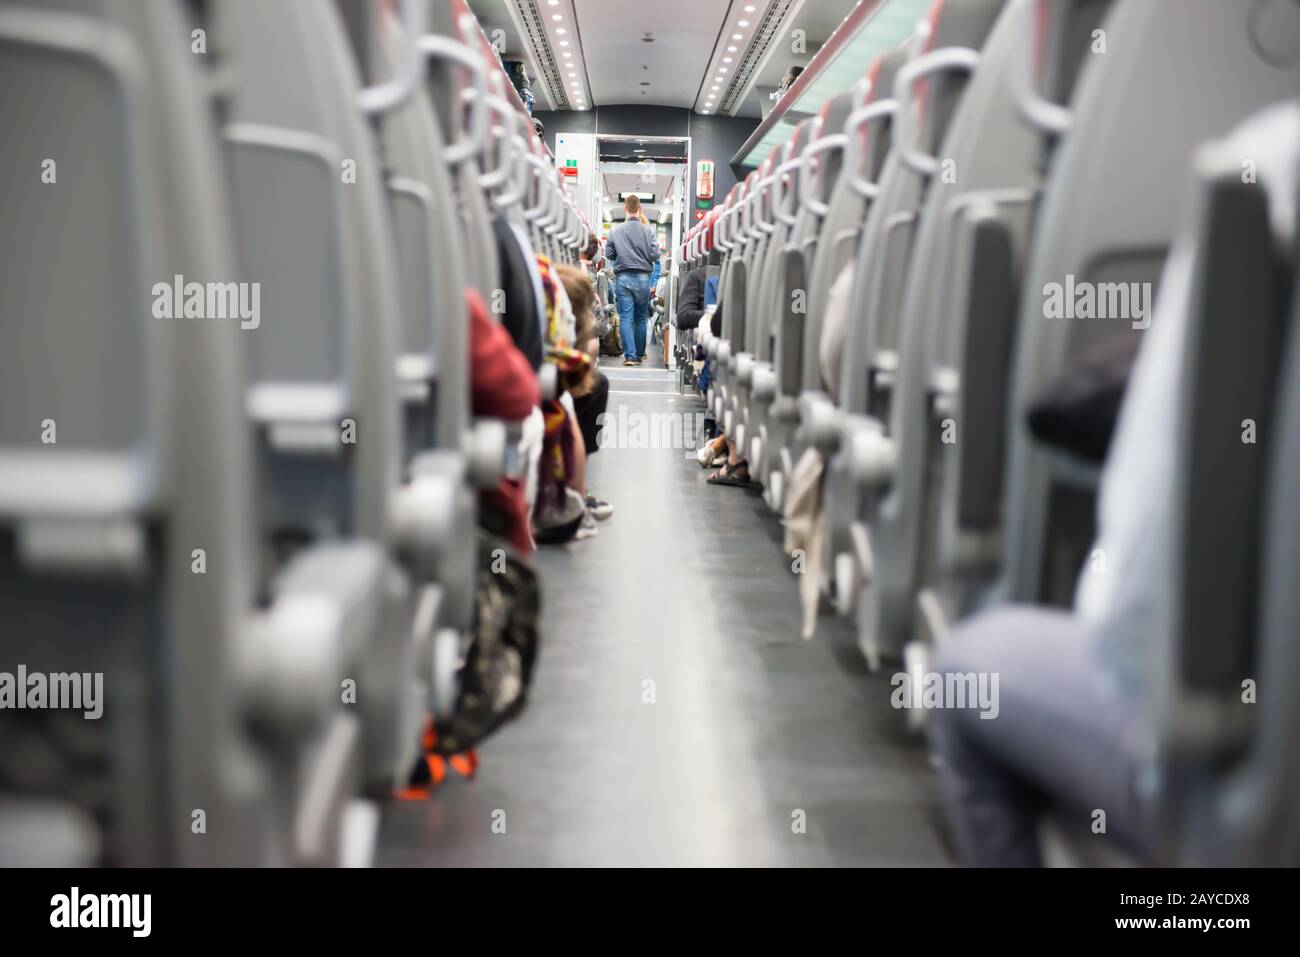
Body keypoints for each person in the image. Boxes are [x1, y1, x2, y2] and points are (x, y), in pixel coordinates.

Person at [604, 194, 660, 366]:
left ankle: (630, 356)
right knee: (641, 318)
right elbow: (655, 254)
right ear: (640, 209)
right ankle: (640, 353)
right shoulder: (649, 231)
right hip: (644, 278)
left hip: (623, 278)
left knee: (626, 318)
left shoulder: (614, 231)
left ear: (625, 209)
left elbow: (609, 254)